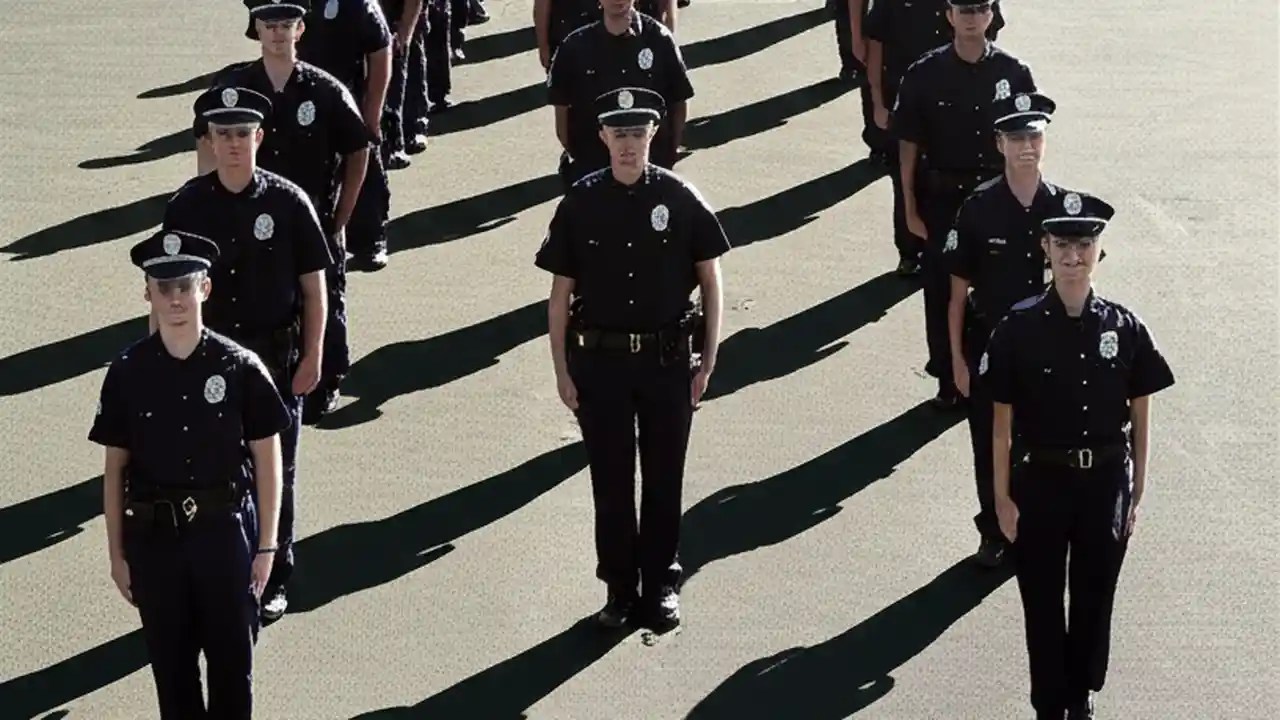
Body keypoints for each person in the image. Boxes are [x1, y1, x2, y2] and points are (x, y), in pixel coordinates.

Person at [534, 87, 729, 631]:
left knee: (665, 478)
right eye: (618, 134)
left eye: (637, 134)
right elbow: (558, 295)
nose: (627, 145)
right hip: (601, 365)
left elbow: (711, 280)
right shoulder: (580, 202)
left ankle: (661, 583)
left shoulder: (681, 197)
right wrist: (561, 370)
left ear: (653, 136)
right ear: (602, 137)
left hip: (667, 363)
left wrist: (708, 360)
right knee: (612, 481)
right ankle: (620, 588)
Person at [982, 190, 1176, 720]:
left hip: (1105, 481)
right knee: (1041, 601)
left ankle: (1081, 691)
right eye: (1063, 244)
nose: (1073, 256)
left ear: (1098, 251)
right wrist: (1000, 498)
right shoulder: (1017, 328)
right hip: (1040, 482)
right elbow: (999, 424)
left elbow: (1140, 409)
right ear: (1045, 248)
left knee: (1095, 595)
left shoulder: (1124, 326)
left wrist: (1137, 490)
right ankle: (1049, 701)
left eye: (1084, 244)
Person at [92, 229, 292, 719]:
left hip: (224, 538)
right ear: (148, 293)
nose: (175, 297)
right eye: (164, 287)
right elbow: (114, 470)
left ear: (205, 288)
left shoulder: (240, 367)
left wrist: (267, 546)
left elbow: (269, 462)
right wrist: (117, 555)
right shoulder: (128, 372)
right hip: (156, 543)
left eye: (185, 285)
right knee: (173, 676)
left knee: (232, 674)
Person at [168, 84, 333, 624]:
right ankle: (215, 575)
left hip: (275, 359)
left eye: (242, 133)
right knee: (206, 472)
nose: (233, 143)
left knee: (275, 471)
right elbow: (167, 293)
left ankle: (273, 576)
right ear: (210, 141)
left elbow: (315, 288)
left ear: (260, 137)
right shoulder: (188, 205)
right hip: (210, 364)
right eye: (223, 134)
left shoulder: (289, 202)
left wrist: (313, 356)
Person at [207, 0, 374, 424]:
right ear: (256, 31)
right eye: (269, 26)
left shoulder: (325, 89)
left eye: (287, 26)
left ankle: (325, 382)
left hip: (315, 219)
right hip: (251, 222)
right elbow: (205, 140)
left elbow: (359, 148)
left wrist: (343, 213)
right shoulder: (236, 88)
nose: (278, 34)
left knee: (325, 300)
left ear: (301, 30)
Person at [891, 0, 1033, 409]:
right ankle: (948, 378)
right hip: (943, 200)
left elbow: (1029, 145)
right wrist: (909, 208)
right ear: (949, 15)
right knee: (940, 291)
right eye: (963, 10)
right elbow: (908, 148)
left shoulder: (1014, 73)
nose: (972, 18)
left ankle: (1001, 374)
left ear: (992, 15)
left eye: (980, 9)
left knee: (1001, 291)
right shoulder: (924, 73)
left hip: (996, 198)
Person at [943, 90, 1059, 568]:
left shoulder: (1064, 210)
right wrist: (956, 359)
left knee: (1046, 444)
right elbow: (955, 294)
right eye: (1016, 137)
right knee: (992, 442)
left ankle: (1039, 529)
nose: (1026, 145)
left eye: (1033, 135)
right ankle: (994, 531)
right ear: (999, 144)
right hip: (990, 344)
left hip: (1049, 349)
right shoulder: (979, 208)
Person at [866, 0, 1006, 273]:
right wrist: (877, 100)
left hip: (966, 106)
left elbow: (989, 37)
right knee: (907, 173)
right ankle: (910, 251)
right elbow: (875, 43)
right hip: (910, 101)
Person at [546, 0, 694, 189]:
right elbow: (562, 119)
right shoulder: (574, 47)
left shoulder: (659, 39)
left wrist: (668, 154)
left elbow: (678, 102)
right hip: (594, 169)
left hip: (650, 166)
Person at [294, 0, 395, 271]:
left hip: (349, 100)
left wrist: (371, 112)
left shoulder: (360, 6)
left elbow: (381, 52)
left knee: (364, 168)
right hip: (302, 101)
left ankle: (371, 240)